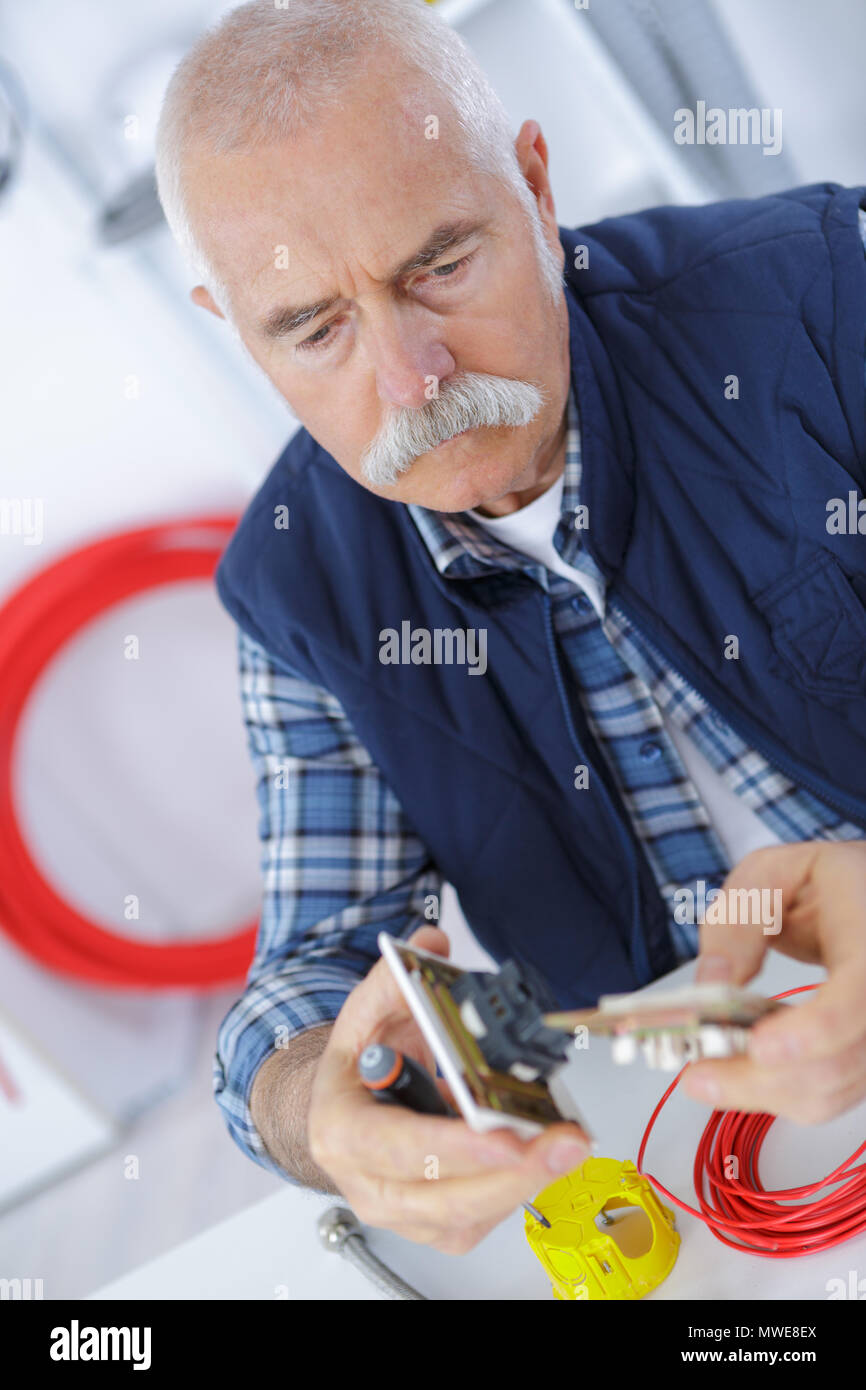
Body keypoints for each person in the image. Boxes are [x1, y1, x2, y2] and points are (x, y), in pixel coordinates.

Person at [154, 0, 866, 1255]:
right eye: (314, 327)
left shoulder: (824, 298)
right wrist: (321, 1112)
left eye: (437, 265)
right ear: (237, 334)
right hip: (711, 1189)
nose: (409, 377)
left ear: (535, 188)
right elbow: (308, 972)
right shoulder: (299, 591)